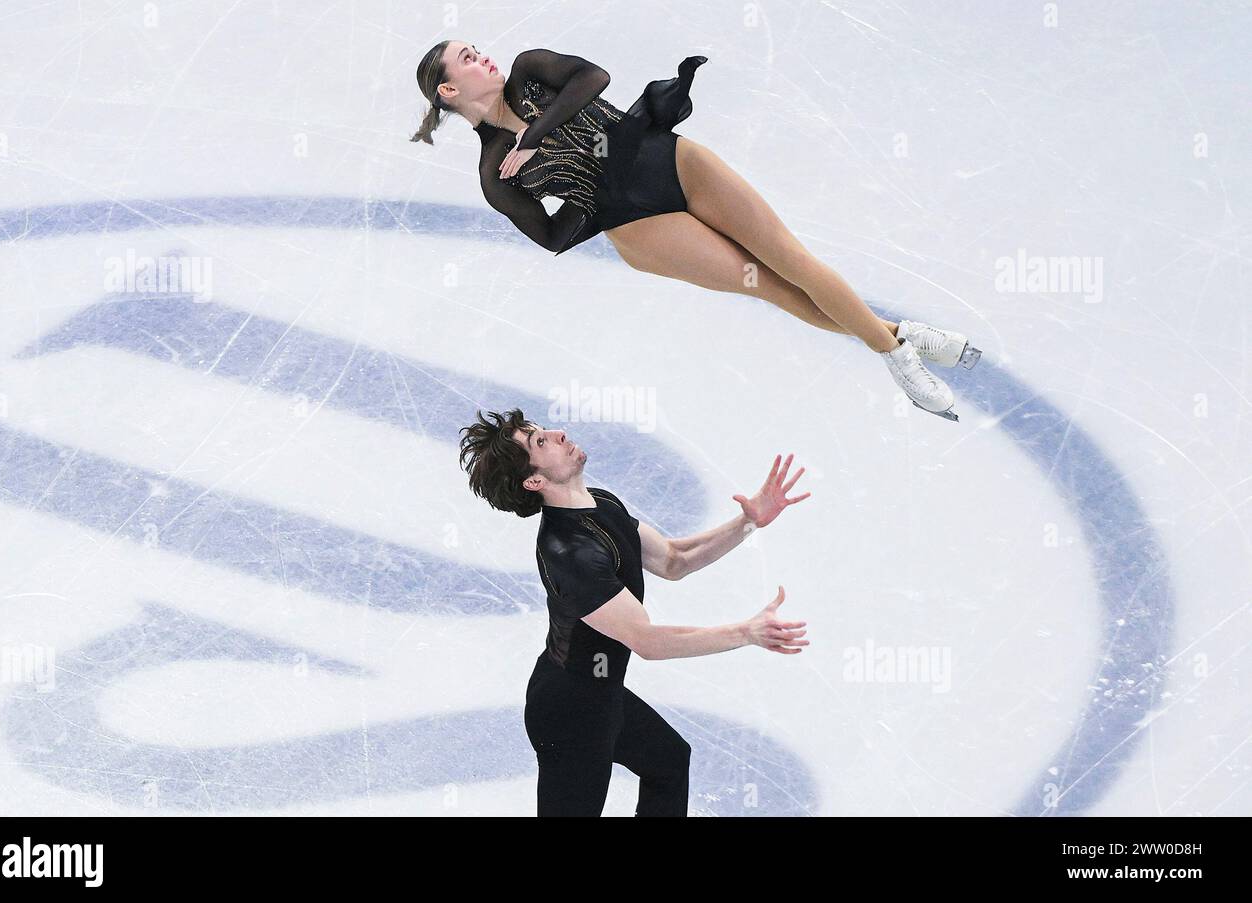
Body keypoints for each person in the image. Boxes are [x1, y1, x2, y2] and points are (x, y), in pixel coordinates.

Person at [411, 42, 983, 421]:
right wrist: (591, 193)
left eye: (476, 48)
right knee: (773, 287)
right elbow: (555, 237)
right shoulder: (493, 173)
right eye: (467, 57)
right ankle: (899, 355)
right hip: (638, 224)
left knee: (790, 259)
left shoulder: (532, 69)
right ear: (449, 91)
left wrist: (535, 138)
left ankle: (893, 336)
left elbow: (592, 79)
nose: (482, 55)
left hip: (670, 160)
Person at [458, 407, 810, 817]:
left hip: (598, 694)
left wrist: (749, 523)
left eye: (542, 430)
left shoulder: (601, 503)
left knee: (669, 762)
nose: (556, 432)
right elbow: (648, 641)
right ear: (533, 480)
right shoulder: (570, 552)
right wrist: (746, 633)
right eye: (540, 442)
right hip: (570, 713)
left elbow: (675, 560)